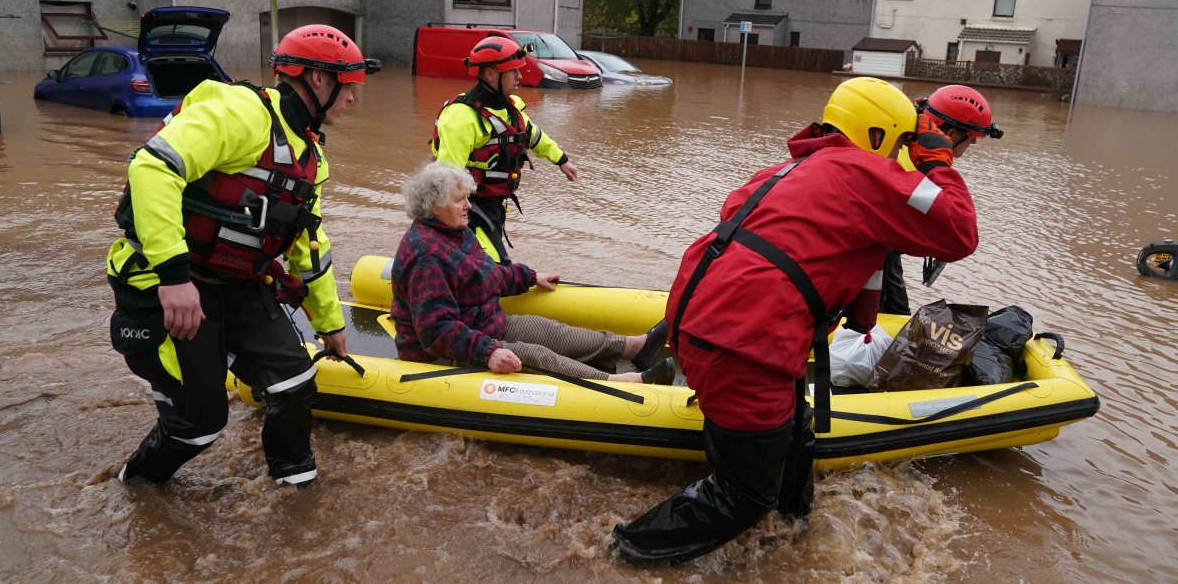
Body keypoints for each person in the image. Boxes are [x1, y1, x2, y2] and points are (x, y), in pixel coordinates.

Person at [612, 77, 983, 563]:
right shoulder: (869, 176)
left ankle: (791, 532)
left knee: (796, 432)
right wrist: (938, 162)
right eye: (899, 144)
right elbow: (960, 232)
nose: (901, 156)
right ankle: (623, 553)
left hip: (707, 325)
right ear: (877, 136)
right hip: (741, 346)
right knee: (743, 496)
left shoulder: (791, 167)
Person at [106, 24, 380, 487]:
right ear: (318, 79)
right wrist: (174, 279)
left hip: (238, 284)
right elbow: (152, 167)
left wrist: (329, 322)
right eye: (349, 85)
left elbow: (309, 246)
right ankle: (133, 489)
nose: (353, 98)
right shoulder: (241, 112)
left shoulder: (310, 156)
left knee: (294, 383)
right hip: (168, 281)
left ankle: (298, 492)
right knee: (200, 424)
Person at [390, 163, 674, 384]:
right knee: (536, 355)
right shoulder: (426, 255)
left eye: (467, 198)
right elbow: (435, 332)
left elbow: (487, 274)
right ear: (435, 206)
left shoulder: (455, 232)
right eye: (460, 200)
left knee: (547, 330)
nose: (468, 206)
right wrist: (488, 352)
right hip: (446, 353)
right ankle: (621, 382)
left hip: (482, 325)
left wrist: (527, 276)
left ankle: (635, 347)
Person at [431, 36, 579, 264]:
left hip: (494, 205)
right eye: (514, 72)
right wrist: (454, 223)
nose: (520, 77)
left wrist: (562, 160)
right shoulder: (461, 117)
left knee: (492, 261)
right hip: (469, 208)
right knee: (492, 265)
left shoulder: (511, 109)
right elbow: (448, 179)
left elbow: (533, 135)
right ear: (491, 74)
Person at [879, 85, 1003, 315]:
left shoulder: (907, 142)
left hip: (879, 251)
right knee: (894, 320)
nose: (973, 144)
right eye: (972, 137)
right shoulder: (917, 163)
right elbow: (960, 232)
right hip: (879, 255)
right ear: (953, 135)